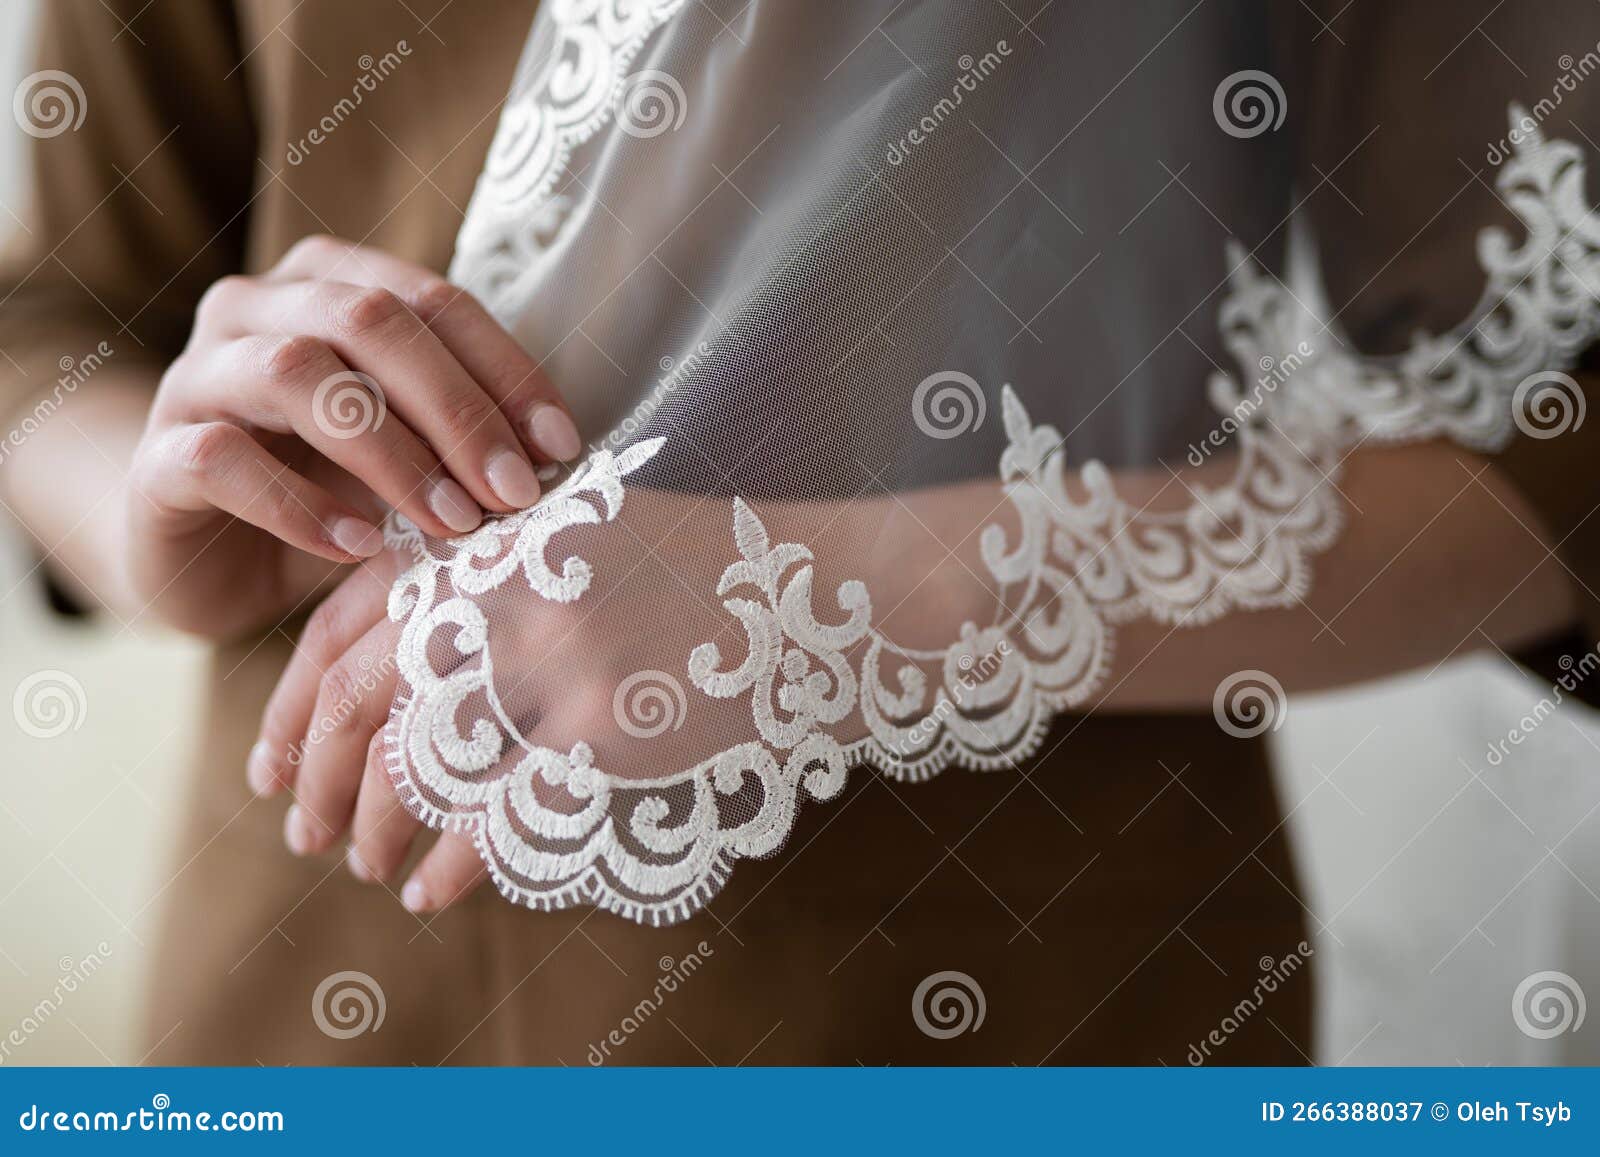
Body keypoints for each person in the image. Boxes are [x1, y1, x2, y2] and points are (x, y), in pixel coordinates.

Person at [1, 0, 1595, 1065]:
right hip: (319, 968)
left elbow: (1563, 459)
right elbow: (52, 327)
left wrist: (822, 607)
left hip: (1013, 1000)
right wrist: (161, 508)